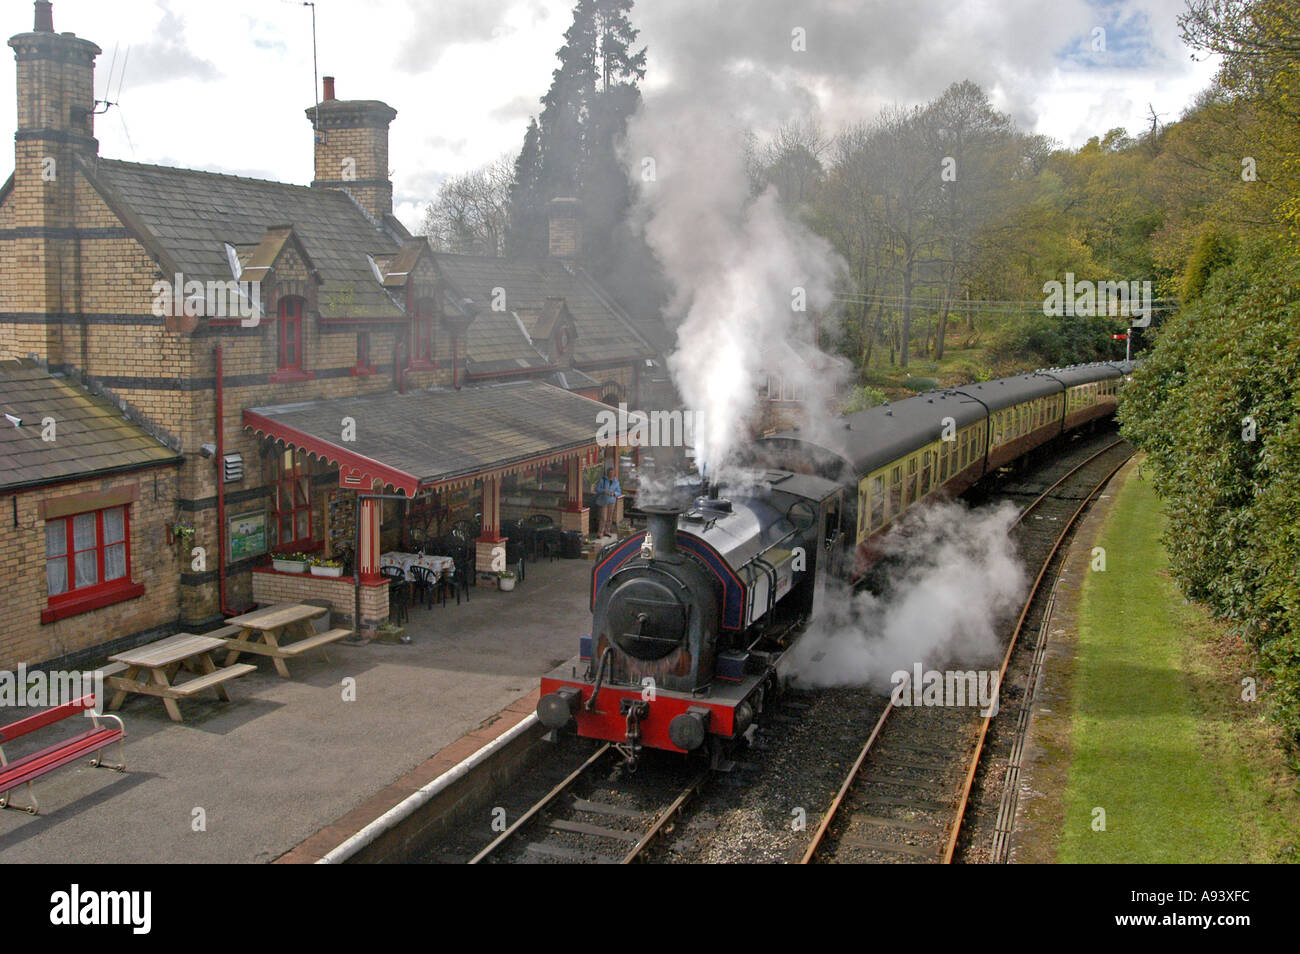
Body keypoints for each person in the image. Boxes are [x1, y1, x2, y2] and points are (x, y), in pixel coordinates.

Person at [593, 467, 621, 538]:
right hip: (603, 501)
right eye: (610, 473)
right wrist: (604, 491)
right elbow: (597, 489)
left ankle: (607, 531)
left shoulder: (616, 481)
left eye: (612, 473)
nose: (611, 474)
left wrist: (614, 493)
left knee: (609, 517)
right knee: (603, 517)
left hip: (612, 501)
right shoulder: (603, 480)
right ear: (607, 473)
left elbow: (619, 492)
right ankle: (600, 532)